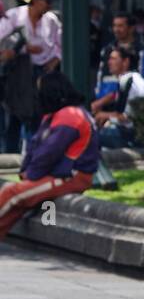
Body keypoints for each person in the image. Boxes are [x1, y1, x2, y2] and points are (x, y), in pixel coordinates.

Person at [0, 72, 99, 241]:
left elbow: (48, 152)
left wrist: (30, 175)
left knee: (12, 192)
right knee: (17, 198)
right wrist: (27, 172)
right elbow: (34, 146)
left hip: (71, 176)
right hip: (56, 174)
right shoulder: (56, 115)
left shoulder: (70, 116)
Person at [0, 0, 63, 151]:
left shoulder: (51, 20)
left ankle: (40, 152)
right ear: (35, 0)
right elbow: (2, 39)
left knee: (41, 114)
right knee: (16, 113)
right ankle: (11, 154)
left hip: (43, 71)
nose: (50, 5)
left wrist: (55, 61)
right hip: (20, 72)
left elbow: (60, 44)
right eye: (47, 1)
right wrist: (21, 49)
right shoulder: (15, 16)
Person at [92, 45, 144, 148]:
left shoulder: (133, 83)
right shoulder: (126, 80)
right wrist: (102, 103)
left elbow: (129, 118)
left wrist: (104, 115)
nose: (109, 62)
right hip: (126, 131)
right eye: (109, 59)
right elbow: (116, 97)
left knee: (92, 137)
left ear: (125, 62)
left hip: (133, 136)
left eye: (113, 58)